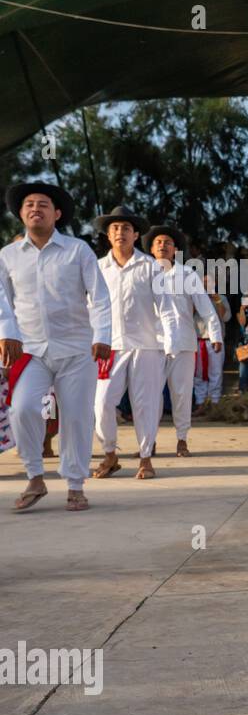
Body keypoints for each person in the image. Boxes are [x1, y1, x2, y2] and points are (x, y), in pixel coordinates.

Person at [0, 182, 111, 512]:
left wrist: (102, 336)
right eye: (29, 204)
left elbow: (100, 297)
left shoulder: (78, 250)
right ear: (21, 214)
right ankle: (35, 476)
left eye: (43, 204)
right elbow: (2, 300)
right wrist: (6, 332)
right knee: (22, 408)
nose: (35, 208)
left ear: (57, 214)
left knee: (76, 417)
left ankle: (75, 485)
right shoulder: (7, 256)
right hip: (30, 349)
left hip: (78, 348)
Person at [90, 206, 166, 481]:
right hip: (108, 347)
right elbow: (89, 307)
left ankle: (146, 458)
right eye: (114, 228)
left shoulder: (150, 267)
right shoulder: (98, 268)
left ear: (135, 234)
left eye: (125, 228)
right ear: (107, 235)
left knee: (145, 404)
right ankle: (110, 454)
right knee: (102, 403)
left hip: (146, 347)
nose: (119, 232)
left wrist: (166, 343)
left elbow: (166, 307)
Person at [148, 225, 220, 457]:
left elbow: (205, 307)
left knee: (181, 393)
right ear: (151, 248)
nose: (163, 245)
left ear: (175, 249)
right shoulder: (143, 273)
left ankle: (182, 439)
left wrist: (215, 333)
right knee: (150, 395)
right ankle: (149, 440)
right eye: (158, 242)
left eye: (167, 242)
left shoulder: (187, 274)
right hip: (151, 343)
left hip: (183, 342)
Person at [193, 278, 230, 415]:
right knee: (198, 375)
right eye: (204, 283)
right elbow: (188, 315)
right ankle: (200, 404)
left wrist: (217, 301)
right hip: (199, 340)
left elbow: (225, 318)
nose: (206, 286)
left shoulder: (222, 298)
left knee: (216, 373)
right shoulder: (194, 298)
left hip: (216, 341)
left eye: (209, 283)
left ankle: (214, 404)